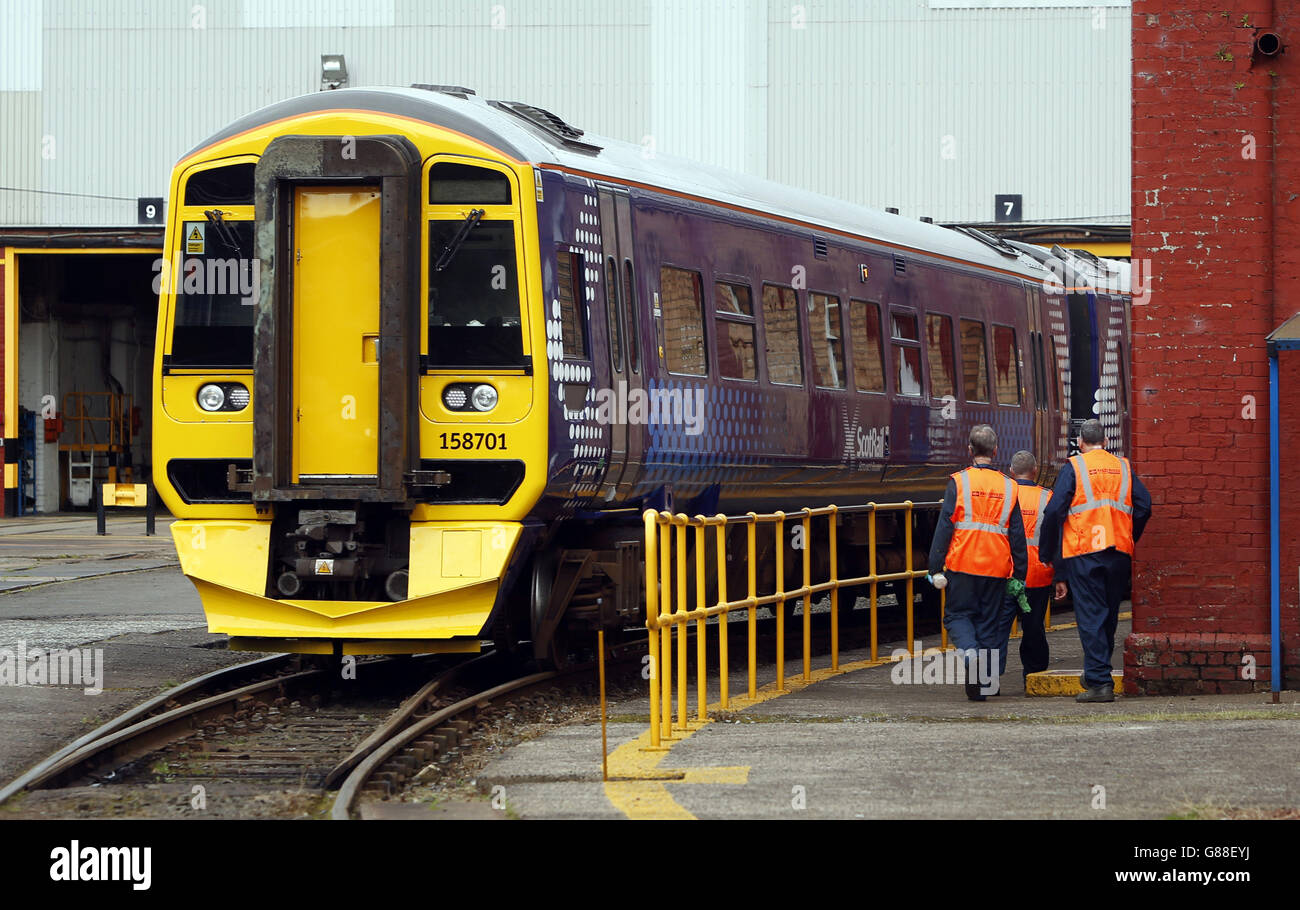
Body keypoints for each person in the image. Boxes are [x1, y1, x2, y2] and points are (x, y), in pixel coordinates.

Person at [1037, 419, 1152, 703]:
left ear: (1079, 443)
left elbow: (1053, 513)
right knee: (1108, 615)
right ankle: (1095, 672)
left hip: (1085, 551)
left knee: (1090, 617)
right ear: (1106, 441)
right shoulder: (1122, 467)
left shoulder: (1074, 468)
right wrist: (1128, 534)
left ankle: (1100, 682)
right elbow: (1145, 505)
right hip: (1117, 551)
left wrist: (1049, 554)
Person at [927, 424, 1028, 701]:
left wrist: (934, 567)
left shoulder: (959, 482)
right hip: (996, 569)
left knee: (957, 616)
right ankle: (982, 686)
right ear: (996, 451)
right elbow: (1017, 535)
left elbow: (945, 527)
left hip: (962, 565)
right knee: (988, 624)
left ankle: (970, 657)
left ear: (970, 450)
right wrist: (1020, 574)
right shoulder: (1010, 486)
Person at [995, 451, 1055, 688]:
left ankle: (988, 680)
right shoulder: (1047, 498)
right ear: (1035, 471)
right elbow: (1055, 538)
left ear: (1011, 471)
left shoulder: (1003, 496)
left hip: (1006, 574)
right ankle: (1035, 677)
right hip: (1037, 576)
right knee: (1033, 628)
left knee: (998, 630)